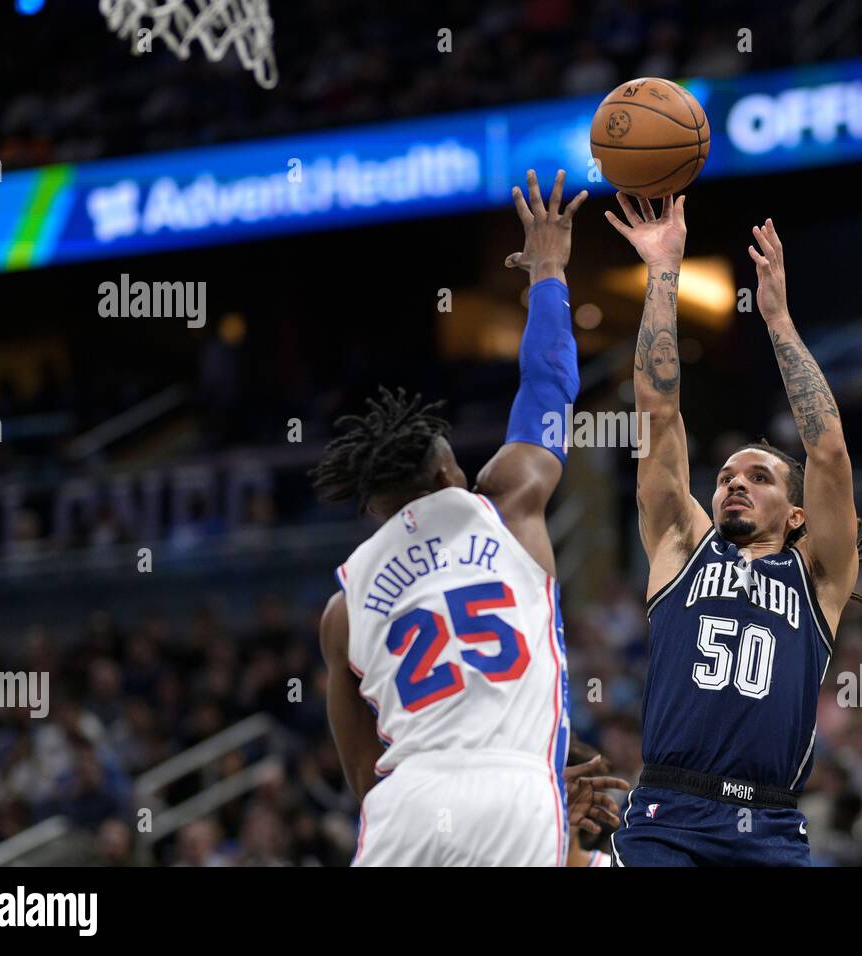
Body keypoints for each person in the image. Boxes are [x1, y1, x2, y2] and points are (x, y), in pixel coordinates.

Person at [316, 170, 615, 866]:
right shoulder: (508, 504)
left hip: (409, 807)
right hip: (517, 791)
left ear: (375, 507)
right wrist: (548, 270)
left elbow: (364, 779)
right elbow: (548, 384)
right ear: (451, 474)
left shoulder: (343, 609)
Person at [602, 193, 862, 866]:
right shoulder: (683, 546)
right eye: (728, 474)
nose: (736, 481)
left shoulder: (818, 576)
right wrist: (663, 272)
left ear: (798, 515)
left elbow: (828, 453)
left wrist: (778, 320)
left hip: (768, 827)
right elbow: (656, 410)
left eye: (760, 476)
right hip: (665, 814)